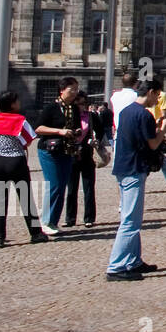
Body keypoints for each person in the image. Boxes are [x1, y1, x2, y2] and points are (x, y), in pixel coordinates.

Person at [107, 79, 166, 280]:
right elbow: (152, 144)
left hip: (124, 167)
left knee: (132, 218)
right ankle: (116, 267)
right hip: (134, 168)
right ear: (151, 92)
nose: (158, 99)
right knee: (130, 221)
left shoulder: (126, 111)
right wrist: (164, 128)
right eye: (157, 95)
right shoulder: (144, 114)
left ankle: (133, 260)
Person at [0, 90, 47, 248]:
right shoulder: (20, 120)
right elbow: (28, 141)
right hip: (16, 161)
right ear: (12, 104)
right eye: (17, 100)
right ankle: (36, 233)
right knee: (25, 198)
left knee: (0, 201)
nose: (19, 103)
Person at [34, 76, 82, 237]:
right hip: (49, 150)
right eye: (72, 89)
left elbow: (76, 126)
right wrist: (59, 131)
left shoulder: (74, 109)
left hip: (66, 150)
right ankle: (45, 221)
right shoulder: (51, 108)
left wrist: (76, 132)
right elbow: (39, 128)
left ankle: (52, 221)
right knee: (54, 184)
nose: (75, 92)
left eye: (76, 89)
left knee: (61, 186)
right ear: (62, 90)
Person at [62, 90, 98, 228]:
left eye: (83, 103)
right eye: (78, 104)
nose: (81, 106)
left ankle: (89, 217)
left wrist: (95, 141)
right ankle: (70, 218)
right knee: (71, 189)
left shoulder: (91, 117)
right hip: (72, 155)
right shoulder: (68, 117)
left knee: (88, 188)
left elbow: (100, 132)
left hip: (87, 156)